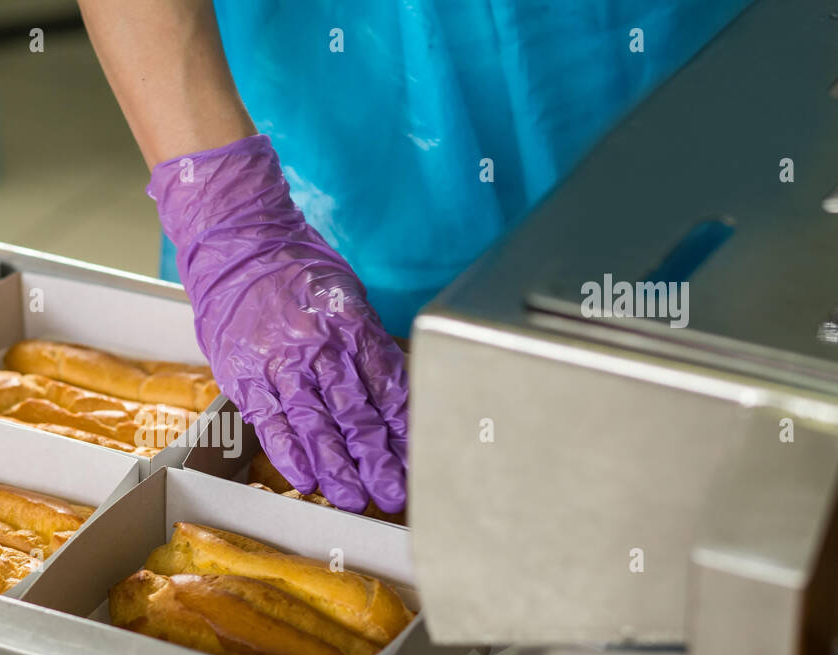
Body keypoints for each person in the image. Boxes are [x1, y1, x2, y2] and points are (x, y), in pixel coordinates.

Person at [76, 0, 752, 514]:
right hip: (340, 141)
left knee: (688, 472)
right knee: (330, 424)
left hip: (664, 70)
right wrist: (231, 217)